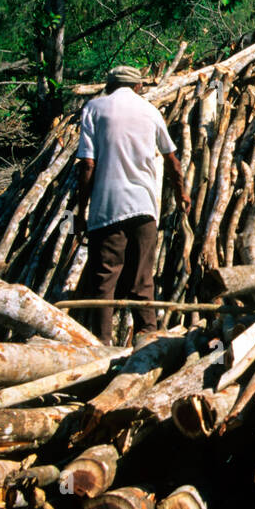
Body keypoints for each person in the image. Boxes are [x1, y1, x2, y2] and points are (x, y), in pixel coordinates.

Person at [75, 65, 190, 344]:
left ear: (110, 86)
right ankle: (148, 339)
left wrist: (80, 211)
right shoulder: (150, 112)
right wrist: (181, 194)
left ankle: (102, 345)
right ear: (138, 87)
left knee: (104, 280)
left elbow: (88, 164)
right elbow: (173, 161)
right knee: (143, 279)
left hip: (108, 207)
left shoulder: (94, 108)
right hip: (144, 207)